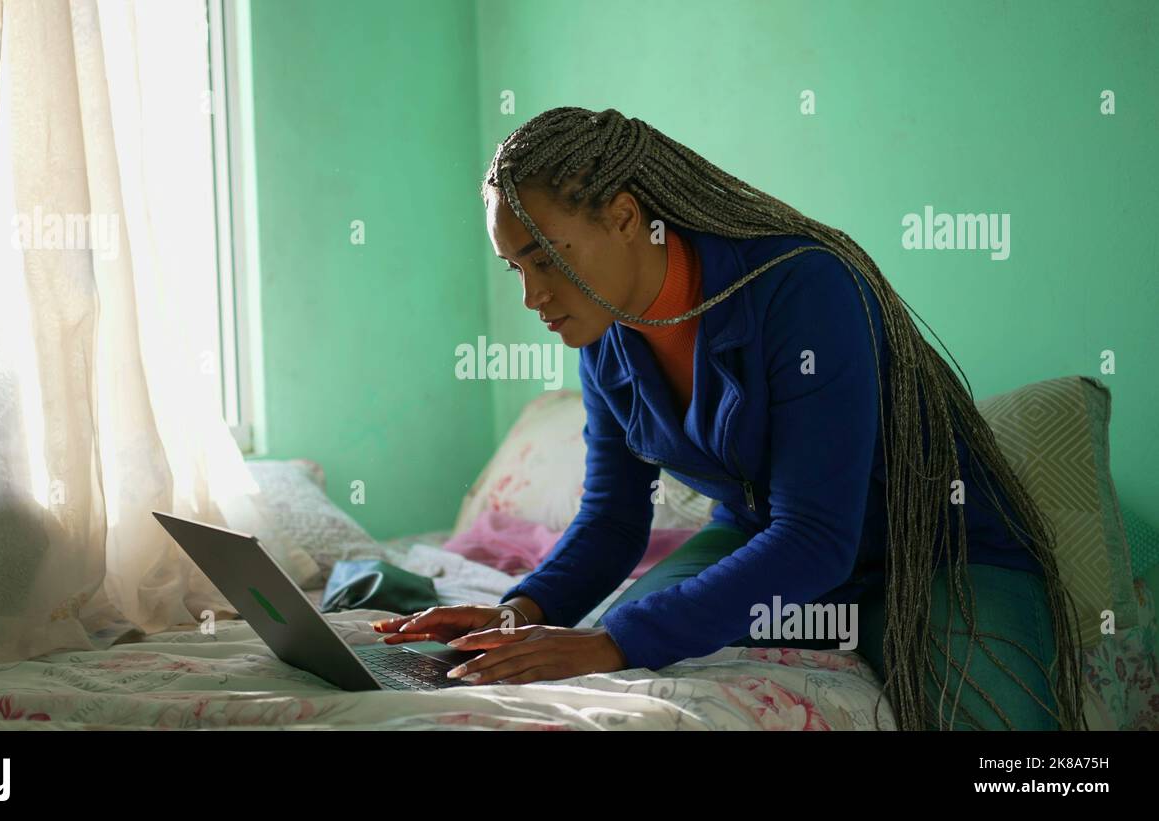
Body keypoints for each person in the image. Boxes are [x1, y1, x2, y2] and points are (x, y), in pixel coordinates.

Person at [373, 107, 1085, 730]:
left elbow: (814, 537)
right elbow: (615, 521)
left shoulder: (803, 288)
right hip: (764, 544)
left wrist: (619, 636)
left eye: (546, 258)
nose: (532, 296)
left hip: (939, 551)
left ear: (624, 216)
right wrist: (519, 610)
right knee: (594, 669)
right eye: (514, 269)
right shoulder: (604, 335)